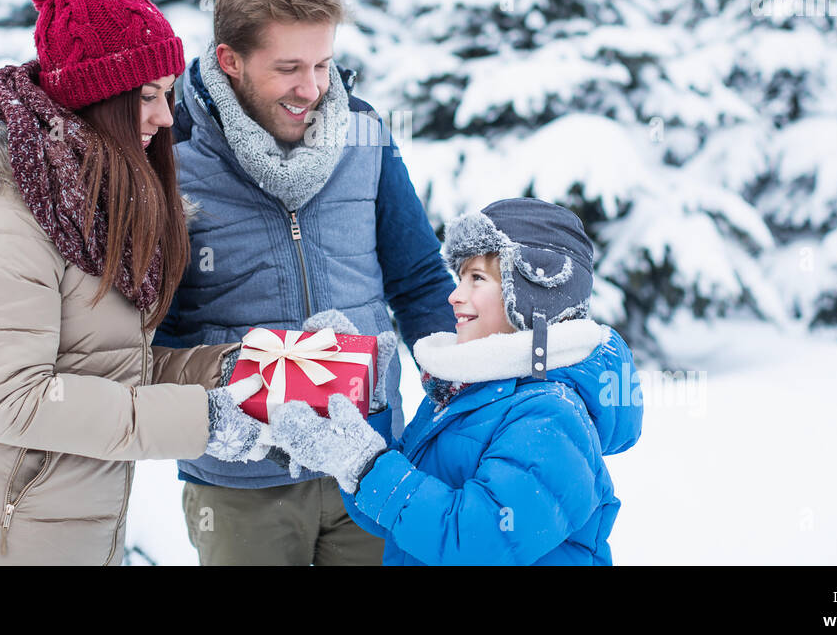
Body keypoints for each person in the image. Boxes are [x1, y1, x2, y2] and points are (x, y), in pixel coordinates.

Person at [0, 0, 268, 565]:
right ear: (96, 98)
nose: (167, 117)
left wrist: (236, 371)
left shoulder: (99, 207)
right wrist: (206, 421)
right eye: (147, 95)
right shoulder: (3, 216)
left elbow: (107, 373)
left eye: (167, 94)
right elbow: (20, 401)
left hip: (54, 534)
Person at [155, 0, 459, 565]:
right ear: (230, 60)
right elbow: (149, 329)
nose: (312, 89)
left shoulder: (363, 133)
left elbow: (419, 278)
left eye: (322, 64)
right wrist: (214, 407)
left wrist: (452, 377)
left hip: (370, 463)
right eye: (288, 68)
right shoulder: (171, 153)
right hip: (240, 483)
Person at [269, 198, 645, 565]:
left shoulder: (553, 417)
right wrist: (366, 413)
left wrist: (369, 467)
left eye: (476, 278)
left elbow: (477, 542)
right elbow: (394, 520)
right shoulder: (467, 393)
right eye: (460, 277)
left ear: (532, 295)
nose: (454, 295)